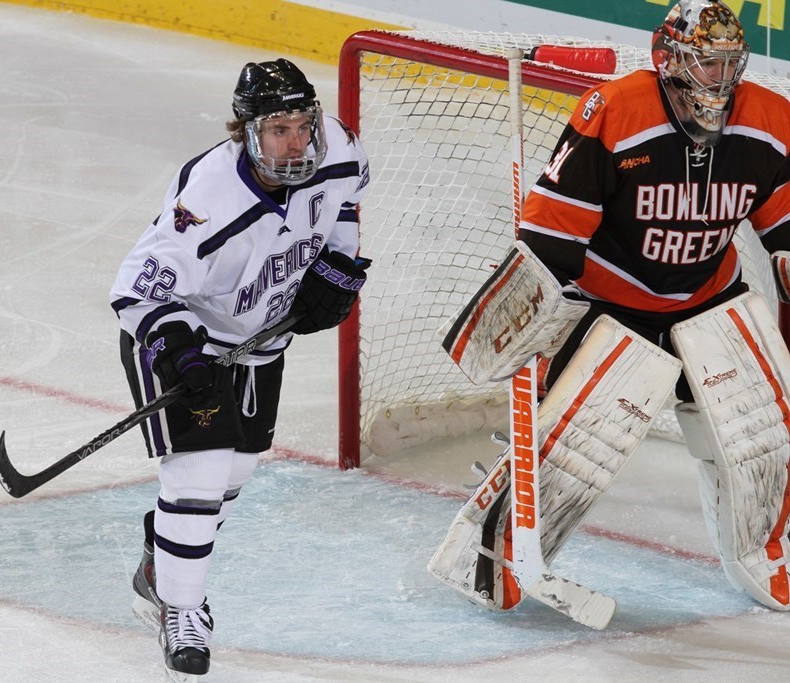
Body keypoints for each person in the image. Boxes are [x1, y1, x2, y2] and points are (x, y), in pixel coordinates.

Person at [432, 0, 790, 616]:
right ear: (669, 61)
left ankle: (767, 553)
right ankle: (490, 553)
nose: (719, 80)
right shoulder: (616, 111)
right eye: (706, 63)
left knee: (767, 432)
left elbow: (782, 214)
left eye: (730, 64)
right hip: (613, 300)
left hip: (709, 295)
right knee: (574, 449)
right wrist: (531, 317)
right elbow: (552, 237)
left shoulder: (770, 118)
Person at [109, 58, 370, 676]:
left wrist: (337, 267)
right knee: (198, 477)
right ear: (246, 131)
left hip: (260, 339)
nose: (296, 142)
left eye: (302, 125)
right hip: (184, 337)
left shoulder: (338, 150)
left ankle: (162, 554)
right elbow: (135, 291)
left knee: (234, 476)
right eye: (279, 129)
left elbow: (348, 199)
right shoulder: (208, 199)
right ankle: (179, 609)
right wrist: (180, 350)